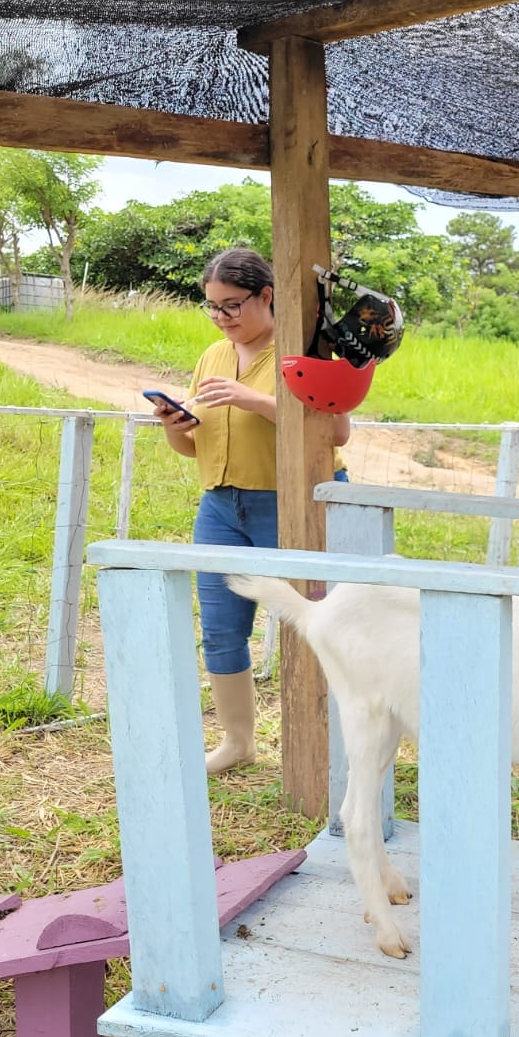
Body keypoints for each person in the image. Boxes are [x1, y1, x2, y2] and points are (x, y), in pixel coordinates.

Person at [151, 248, 352, 774]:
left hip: (291, 504)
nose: (222, 318)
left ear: (267, 296)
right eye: (212, 307)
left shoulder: (306, 351)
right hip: (221, 506)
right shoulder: (213, 357)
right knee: (220, 628)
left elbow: (336, 431)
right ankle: (238, 743)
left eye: (232, 306)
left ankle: (332, 743)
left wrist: (253, 400)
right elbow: (196, 449)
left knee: (319, 625)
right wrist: (177, 426)